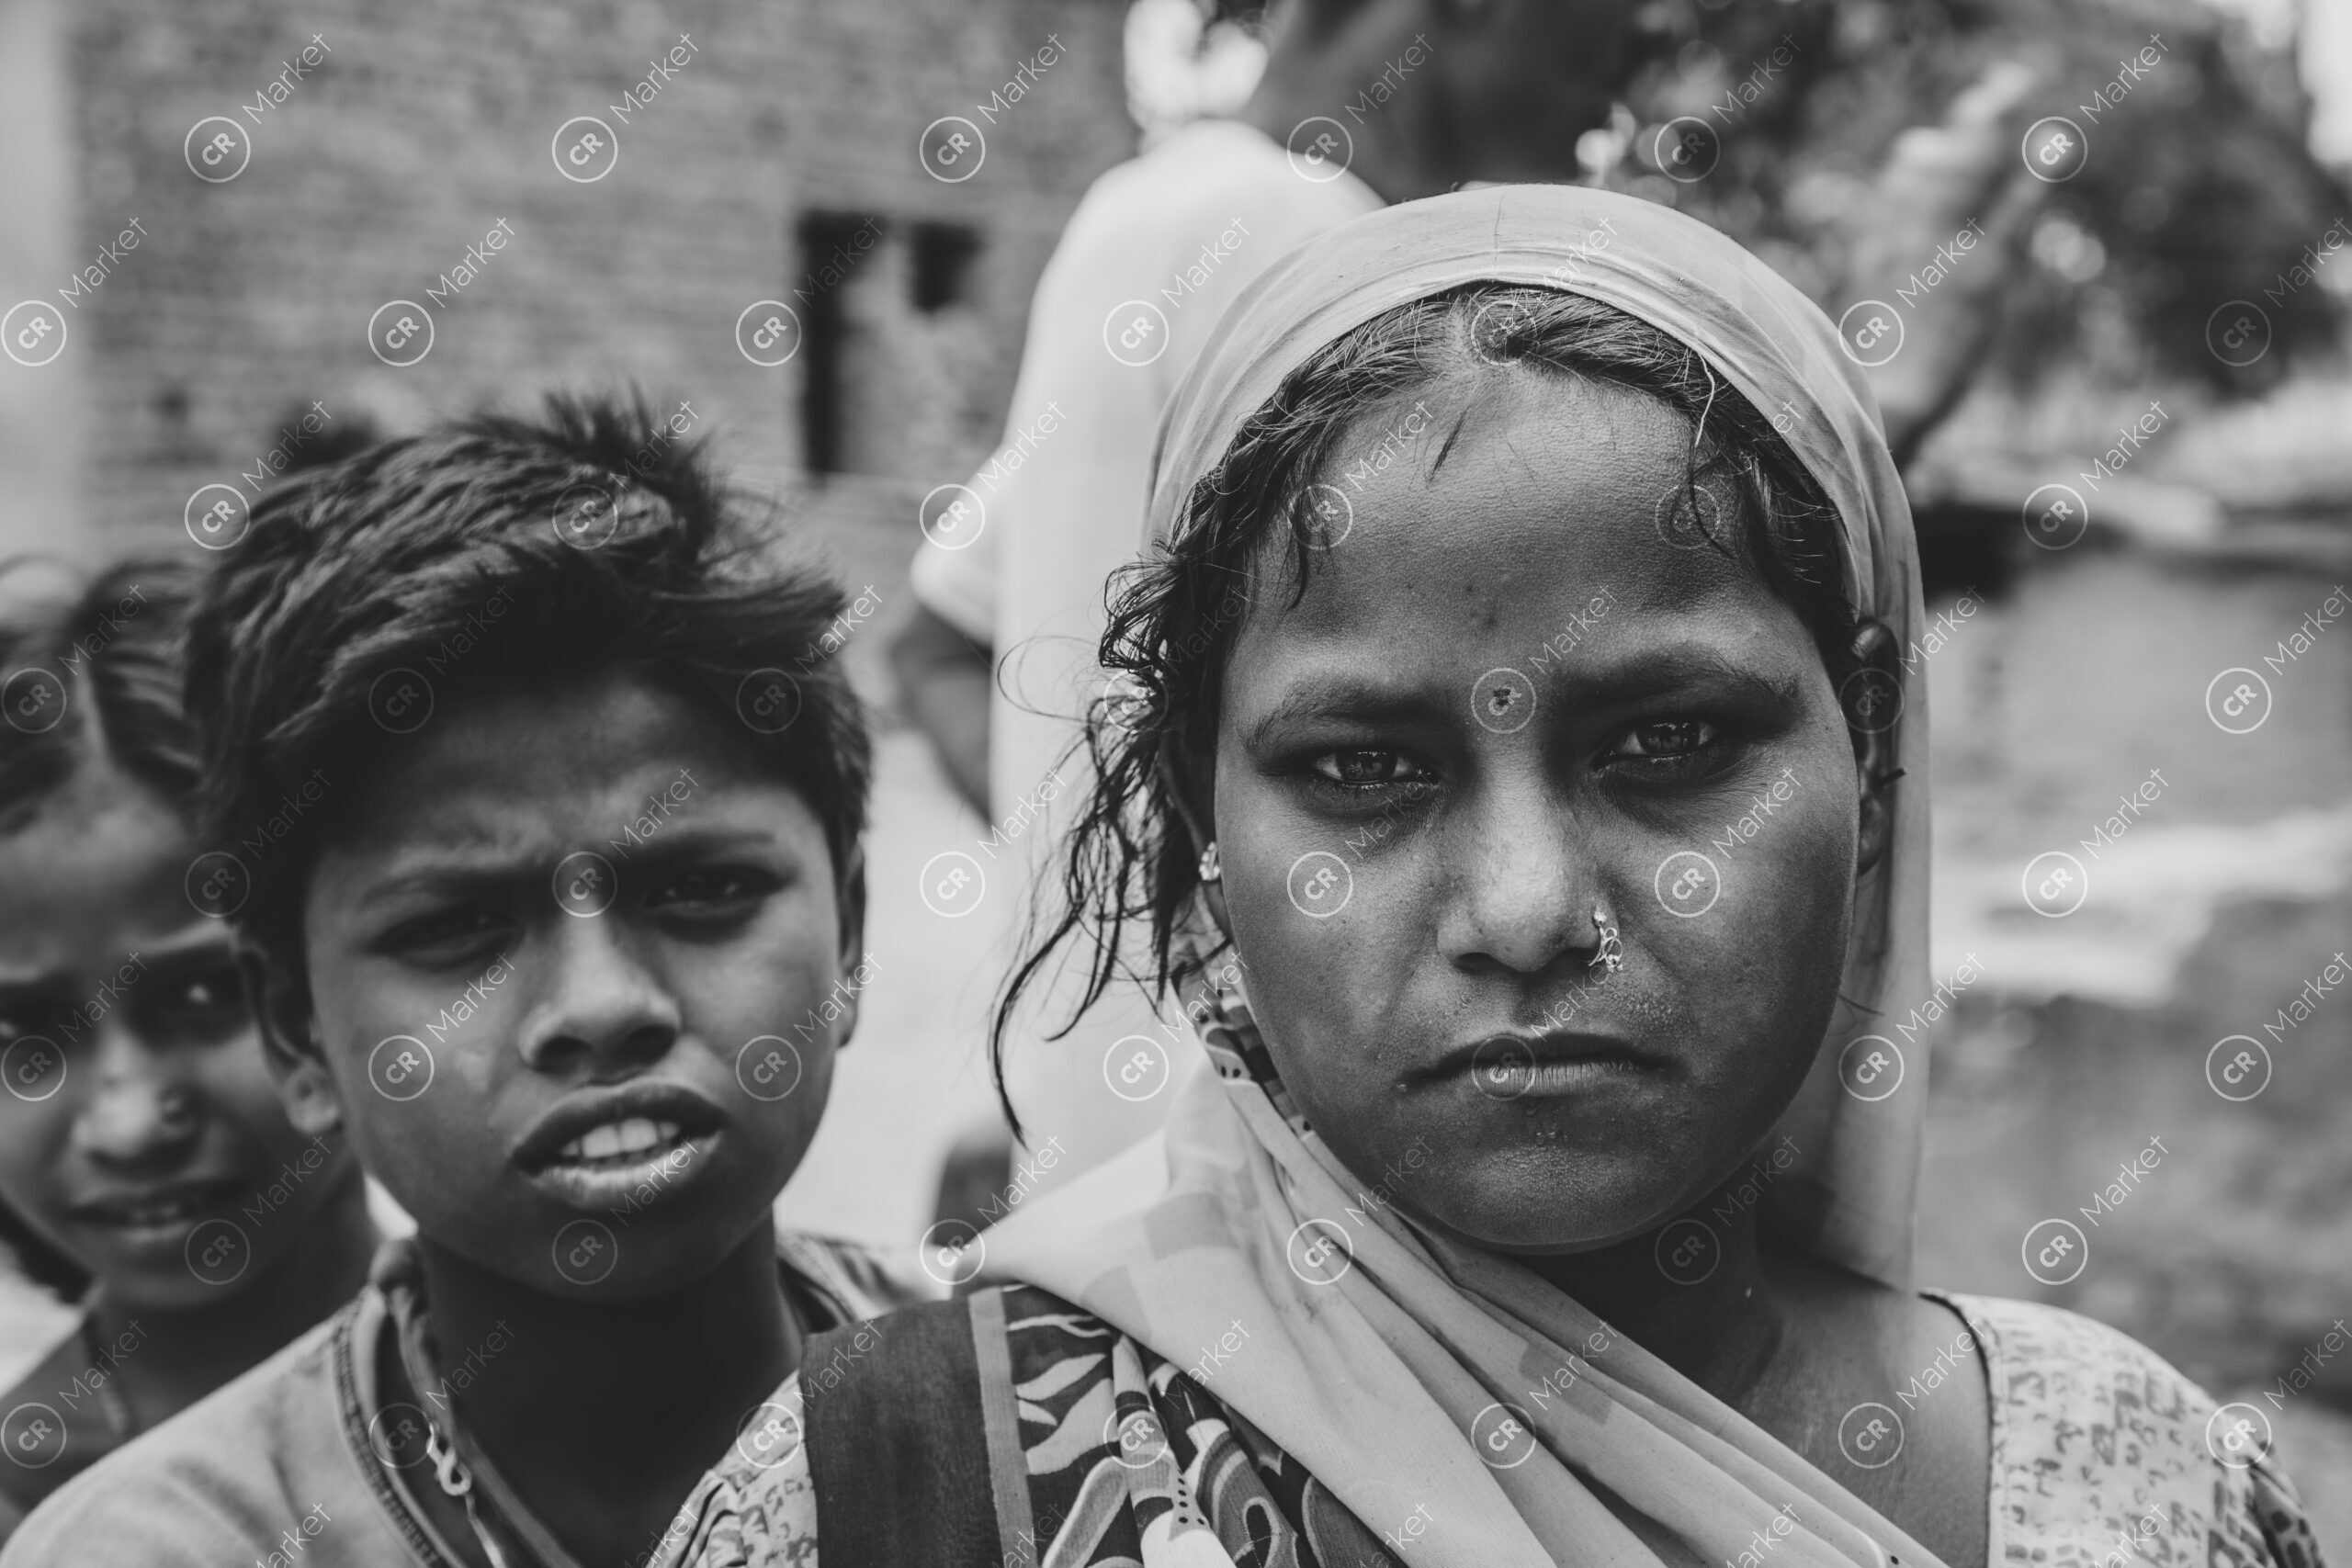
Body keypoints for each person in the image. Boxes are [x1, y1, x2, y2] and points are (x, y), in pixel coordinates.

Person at [654, 189, 2325, 1566]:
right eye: (1365, 772)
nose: (1527, 908)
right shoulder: (896, 1497)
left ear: (1869, 753)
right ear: (1194, 822)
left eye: (1670, 741)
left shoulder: (2135, 1492)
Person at [891, 0, 2050, 1202]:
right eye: (1610, 41)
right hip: (1280, 1170)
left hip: (1154, 1142)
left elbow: (936, 645)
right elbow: (1590, 593)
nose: (1620, 103)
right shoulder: (1292, 232)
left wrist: (1141, 918)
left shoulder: (1148, 212)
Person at [0, 395, 934, 1567]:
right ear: (296, 1029)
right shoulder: (155, 1547)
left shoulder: (1071, 1419)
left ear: (848, 931)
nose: (599, 1006)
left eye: (698, 891)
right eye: (457, 926)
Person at [0, 557, 384, 1540]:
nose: (127, 1122)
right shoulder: (36, 1519)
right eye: (21, 1037)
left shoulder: (581, 1402)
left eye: (206, 993)